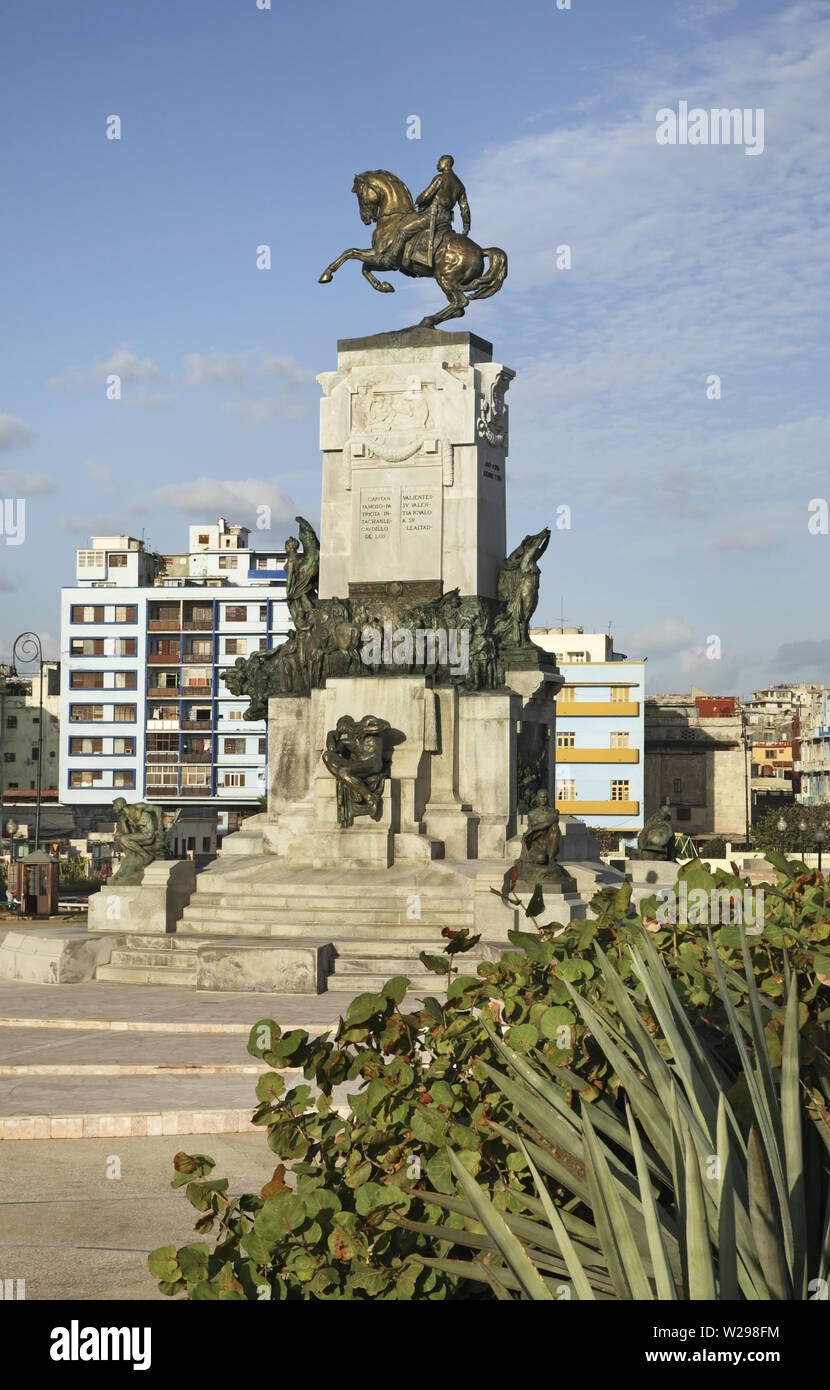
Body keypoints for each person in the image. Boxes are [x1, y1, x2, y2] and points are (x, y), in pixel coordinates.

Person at [382, 155, 471, 269]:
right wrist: (466, 226)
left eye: (440, 162)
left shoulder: (440, 178)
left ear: (446, 164)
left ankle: (390, 258)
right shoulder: (460, 185)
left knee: (403, 231)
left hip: (432, 216)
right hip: (446, 221)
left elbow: (426, 195)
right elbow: (464, 207)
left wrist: (418, 200)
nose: (438, 164)